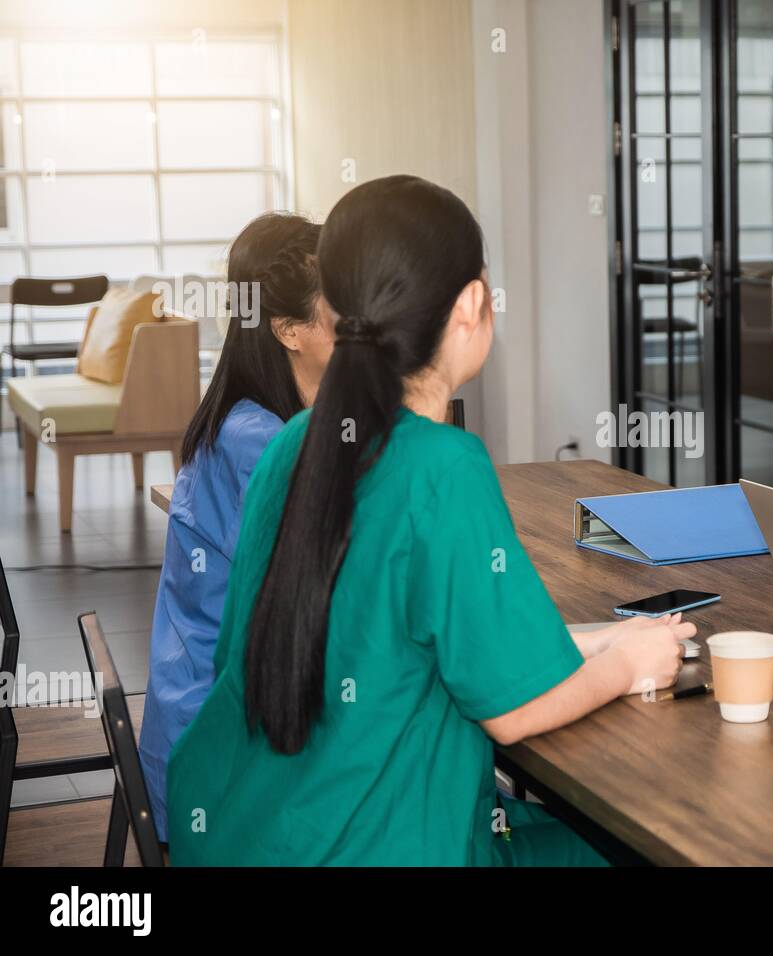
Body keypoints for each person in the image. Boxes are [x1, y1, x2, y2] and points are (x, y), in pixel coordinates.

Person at [166, 175, 693, 866]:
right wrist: (628, 662)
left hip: (249, 829)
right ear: (472, 306)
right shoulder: (445, 467)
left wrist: (585, 645)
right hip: (380, 843)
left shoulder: (293, 442)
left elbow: (375, 631)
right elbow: (513, 713)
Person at [139, 213, 335, 842]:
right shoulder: (258, 441)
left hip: (218, 721)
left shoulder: (259, 416)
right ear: (288, 330)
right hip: (223, 754)